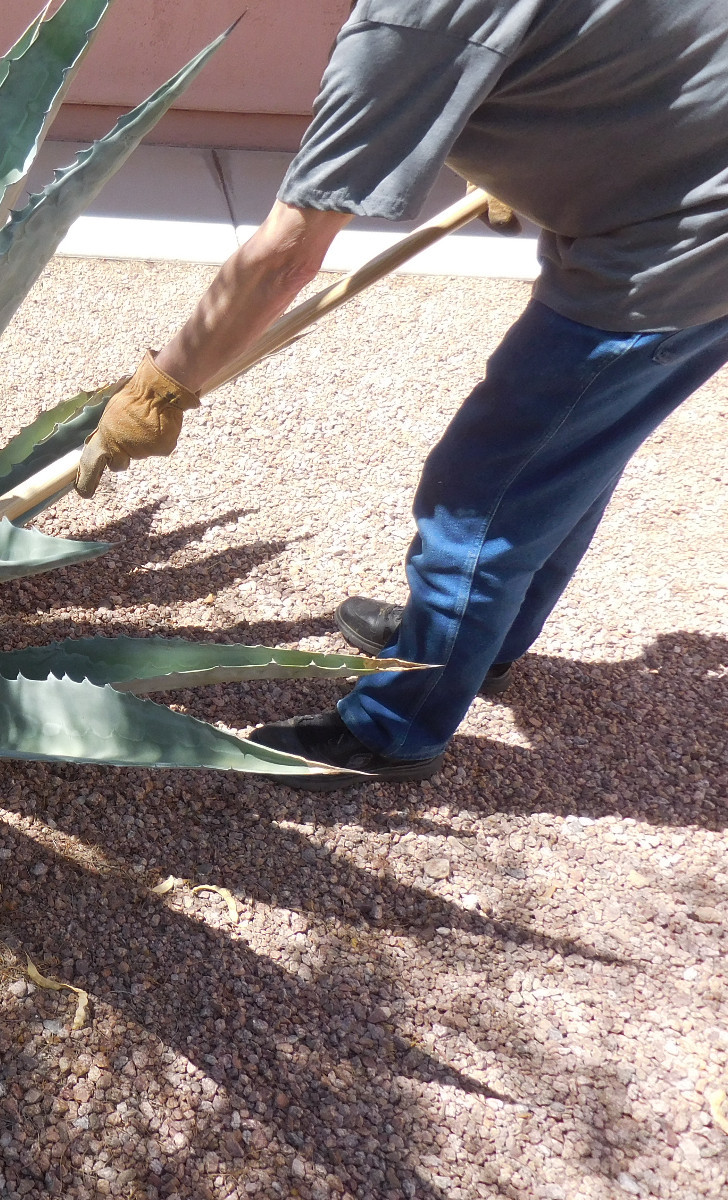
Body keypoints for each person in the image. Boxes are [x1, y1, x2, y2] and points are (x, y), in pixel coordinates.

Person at [74, 0, 728, 790]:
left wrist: (162, 389)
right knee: (566, 457)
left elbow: (285, 255)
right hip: (688, 206)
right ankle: (476, 642)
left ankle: (394, 730)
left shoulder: (404, 24)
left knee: (480, 501)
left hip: (679, 250)